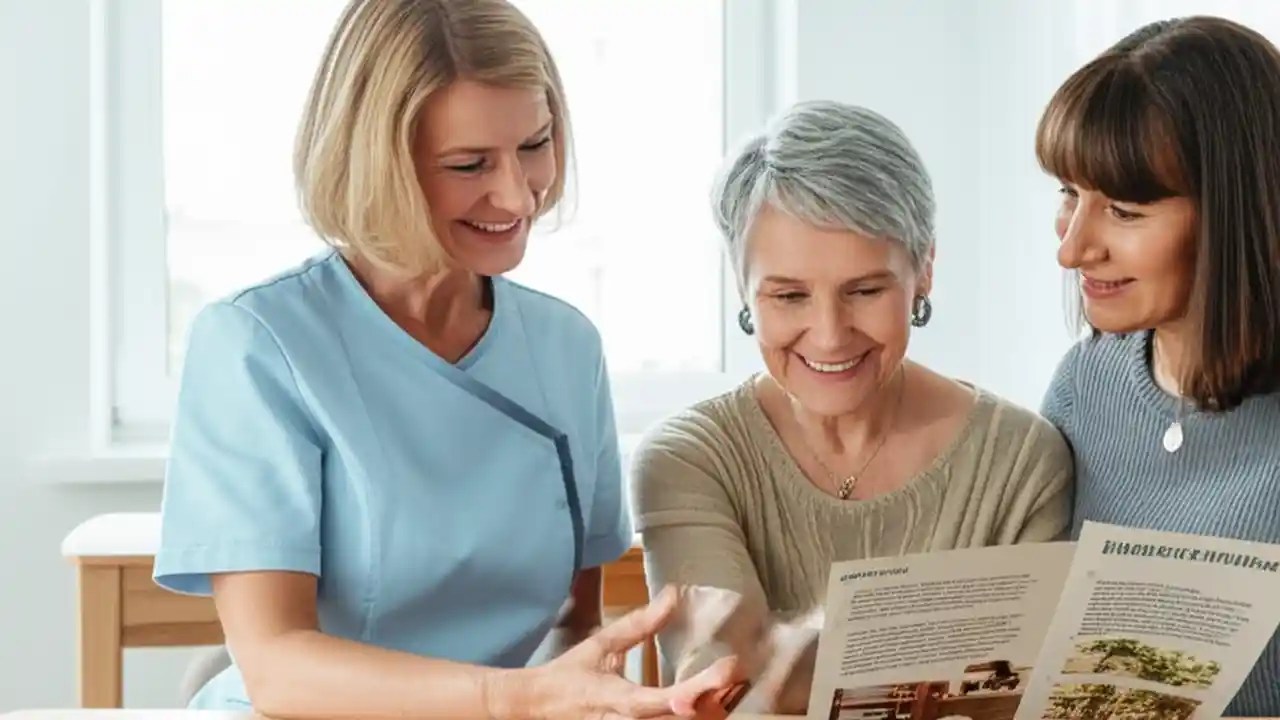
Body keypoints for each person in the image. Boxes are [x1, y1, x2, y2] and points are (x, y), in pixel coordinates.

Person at [151, 0, 734, 717]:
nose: (517, 194)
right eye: (469, 164)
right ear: (377, 162)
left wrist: (600, 695)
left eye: (535, 145)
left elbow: (572, 628)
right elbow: (275, 665)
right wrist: (509, 699)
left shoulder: (564, 348)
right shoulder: (258, 345)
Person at [629, 100, 1075, 714]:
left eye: (864, 291)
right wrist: (942, 668)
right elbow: (725, 693)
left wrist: (789, 651)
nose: (830, 334)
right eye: (788, 296)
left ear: (924, 271)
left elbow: (1023, 701)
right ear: (742, 288)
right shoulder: (689, 458)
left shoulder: (1021, 461)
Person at [1035, 15, 1280, 718]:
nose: (1074, 247)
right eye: (1067, 195)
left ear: (1239, 209)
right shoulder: (1084, 385)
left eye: (1124, 209)